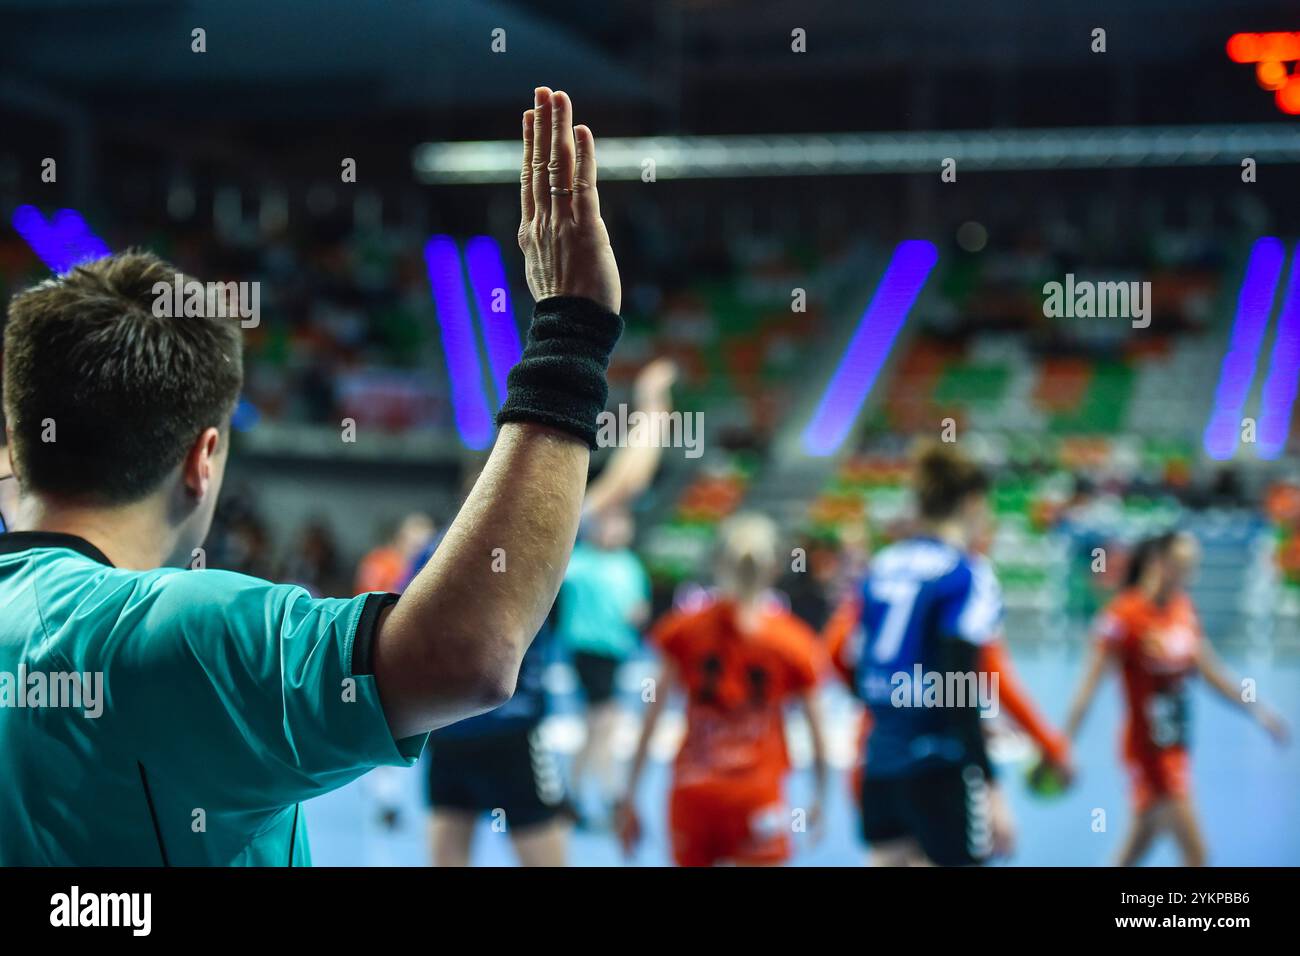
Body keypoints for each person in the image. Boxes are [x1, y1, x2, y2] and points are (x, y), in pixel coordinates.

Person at [0, 86, 625, 865]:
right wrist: (573, 334)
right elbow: (467, 656)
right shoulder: (180, 635)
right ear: (202, 460)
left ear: (14, 449)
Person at [414, 359, 672, 865]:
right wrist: (653, 405)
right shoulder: (524, 535)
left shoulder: (432, 547)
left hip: (445, 730)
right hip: (510, 727)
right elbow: (628, 481)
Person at [833, 442, 1016, 866]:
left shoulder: (883, 565)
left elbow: (854, 661)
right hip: (938, 767)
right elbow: (959, 683)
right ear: (972, 504)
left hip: (879, 765)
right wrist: (991, 785)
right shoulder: (966, 573)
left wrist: (900, 701)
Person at [1063, 530, 1289, 866]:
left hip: (1177, 745)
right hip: (1148, 752)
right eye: (1182, 565)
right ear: (1159, 563)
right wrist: (1060, 744)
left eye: (1193, 566)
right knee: (1196, 853)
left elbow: (1212, 672)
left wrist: (1259, 711)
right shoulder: (1124, 615)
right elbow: (1089, 686)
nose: (1190, 575)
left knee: (1135, 849)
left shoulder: (1183, 609)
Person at [617, 513, 829, 867]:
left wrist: (629, 795)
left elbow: (650, 718)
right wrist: (822, 797)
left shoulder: (683, 630)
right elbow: (817, 734)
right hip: (757, 795)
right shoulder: (794, 641)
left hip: (693, 791)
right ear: (774, 568)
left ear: (718, 563)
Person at [558, 358, 674, 826]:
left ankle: (577, 794)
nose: (621, 522)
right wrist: (652, 407)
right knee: (604, 723)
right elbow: (629, 480)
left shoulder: (625, 563)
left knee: (599, 725)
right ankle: (598, 796)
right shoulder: (578, 550)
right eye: (614, 518)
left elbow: (637, 607)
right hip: (589, 651)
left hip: (615, 649)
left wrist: (637, 615)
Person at [354, 512, 435, 595]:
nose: (419, 551)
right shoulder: (379, 562)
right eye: (415, 545)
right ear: (400, 537)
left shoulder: (425, 567)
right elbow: (371, 598)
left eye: (424, 546)